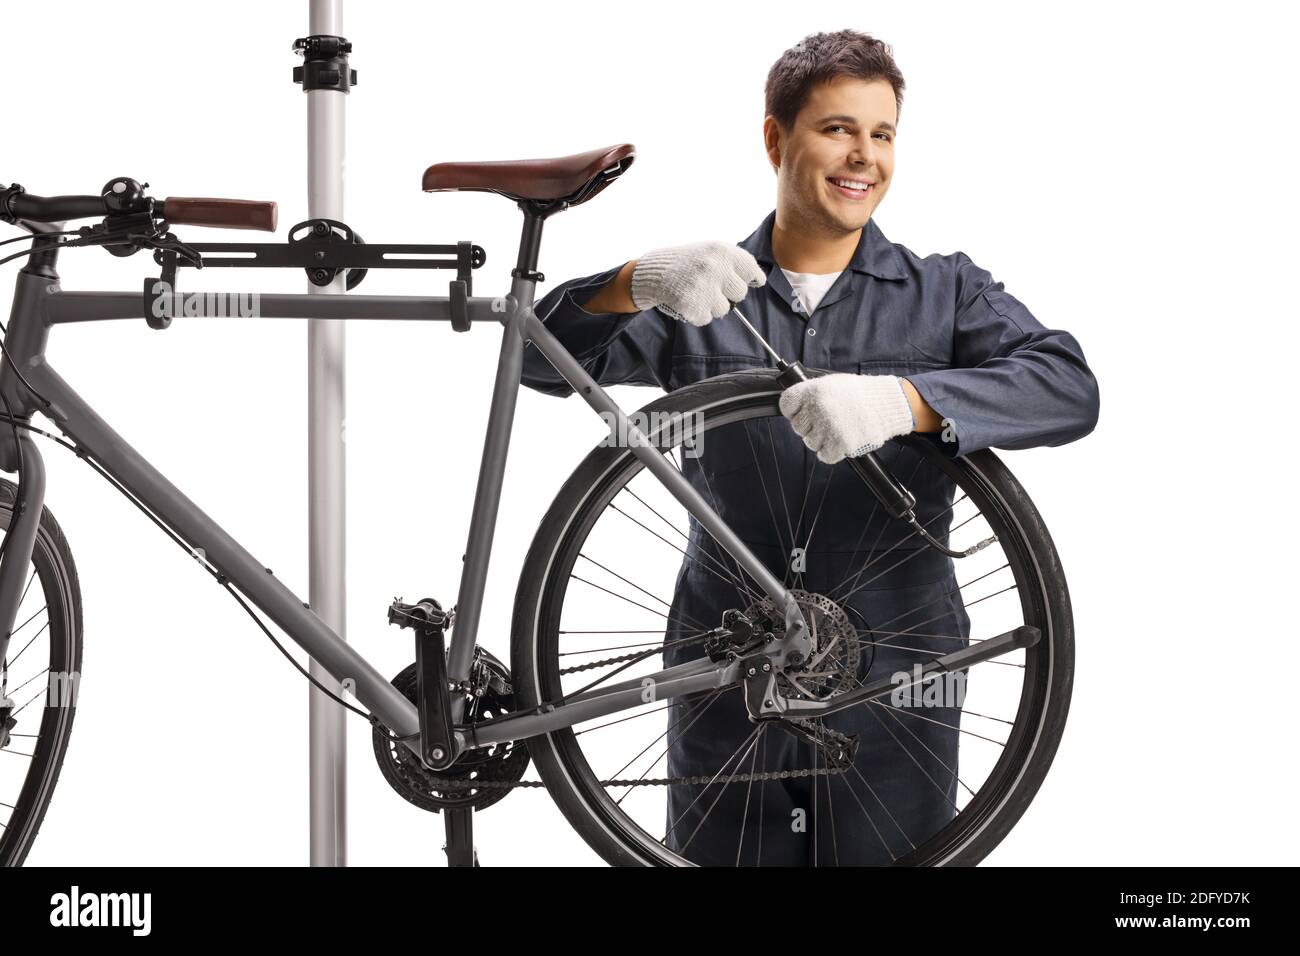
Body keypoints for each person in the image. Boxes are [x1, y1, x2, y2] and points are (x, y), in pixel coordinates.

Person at [520, 29, 1099, 865]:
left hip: (898, 675)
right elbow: (540, 358)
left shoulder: (945, 292)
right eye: (837, 128)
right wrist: (632, 280)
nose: (863, 155)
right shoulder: (706, 292)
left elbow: (1068, 388)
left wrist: (909, 400)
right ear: (775, 138)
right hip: (727, 672)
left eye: (883, 133)